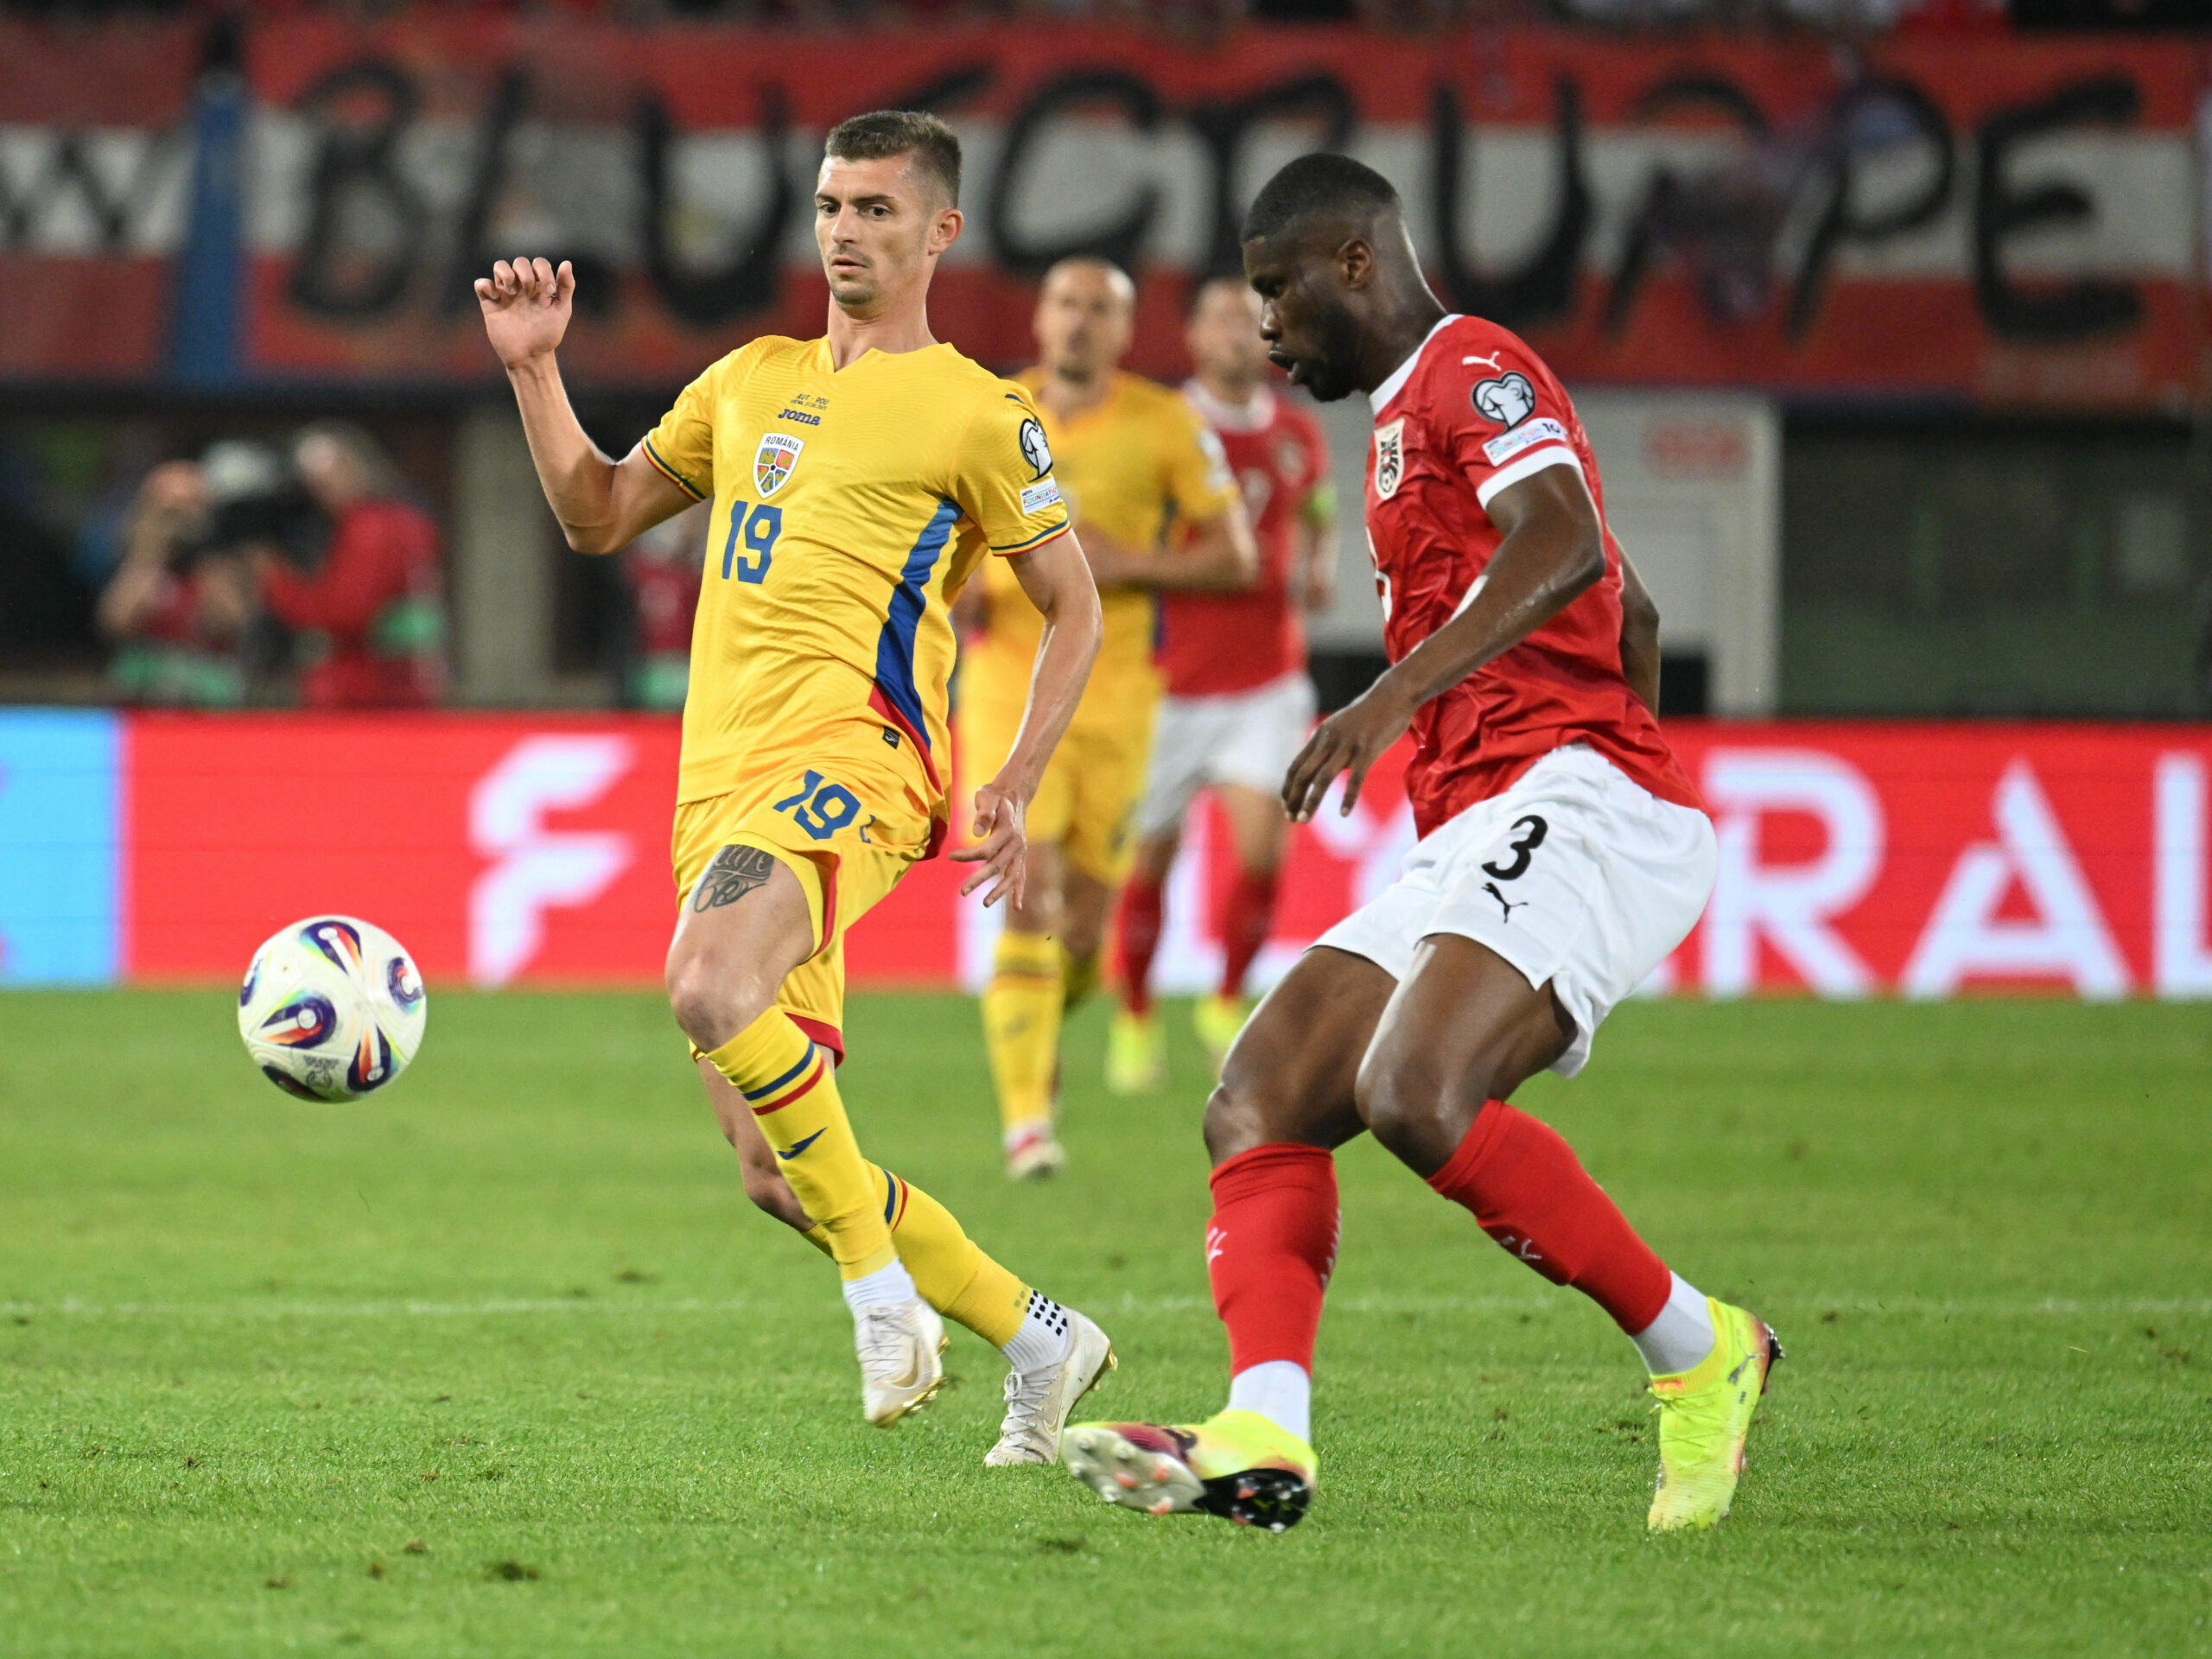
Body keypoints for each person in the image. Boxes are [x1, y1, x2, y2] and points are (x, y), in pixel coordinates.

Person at [1063, 154, 1778, 1534]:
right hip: (1485, 819)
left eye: (1276, 290)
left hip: (1575, 798)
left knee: (1413, 1092)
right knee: (1259, 1095)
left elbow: (1564, 540)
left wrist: (1456, 722)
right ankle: (1265, 1434)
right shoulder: (1403, 415)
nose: (1266, 325)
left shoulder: (1472, 367)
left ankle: (1702, 1353)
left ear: (1353, 263)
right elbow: (1628, 608)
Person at [475, 110, 1117, 1464]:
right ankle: (1039, 1335)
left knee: (707, 983)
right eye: (831, 206)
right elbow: (597, 514)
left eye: (877, 209)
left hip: (858, 759)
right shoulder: (748, 378)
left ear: (941, 231)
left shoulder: (979, 411)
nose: (845, 233)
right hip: (718, 784)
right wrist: (536, 370)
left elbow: (1076, 607)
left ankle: (883, 1303)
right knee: (778, 1172)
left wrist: (1013, 776)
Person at [957, 257, 1255, 1179]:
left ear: (1126, 331)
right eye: (1064, 304)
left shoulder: (1166, 424)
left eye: (1099, 309)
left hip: (1118, 696)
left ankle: (1034, 1030)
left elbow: (1234, 556)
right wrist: (958, 588)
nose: (1079, 322)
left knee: (1082, 932)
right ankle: (1026, 1125)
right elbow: (940, 535)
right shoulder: (988, 413)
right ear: (1039, 319)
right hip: (1005, 685)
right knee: (1028, 895)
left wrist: (1126, 562)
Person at [1107, 276, 1336, 1094]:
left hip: (1266, 680)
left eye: (1252, 319)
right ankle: (1136, 1013)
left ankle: (1225, 1000)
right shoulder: (1162, 428)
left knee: (1264, 850)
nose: (1240, 333)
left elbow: (1318, 508)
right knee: (1150, 862)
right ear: (1195, 338)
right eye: (1222, 320)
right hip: (1166, 682)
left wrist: (1320, 564)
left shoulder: (1297, 432)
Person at [254, 423, 446, 709]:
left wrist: (278, 585)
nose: (325, 493)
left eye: (329, 478)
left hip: (368, 689)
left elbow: (347, 612)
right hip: (410, 680)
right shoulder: (406, 520)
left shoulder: (371, 527)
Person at [97, 454, 254, 708]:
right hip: (147, 683)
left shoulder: (221, 560)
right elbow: (116, 622)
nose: (182, 520)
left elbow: (232, 622)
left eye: (191, 506)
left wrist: (204, 558)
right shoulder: (136, 556)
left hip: (206, 683)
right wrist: (150, 552)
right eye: (172, 510)